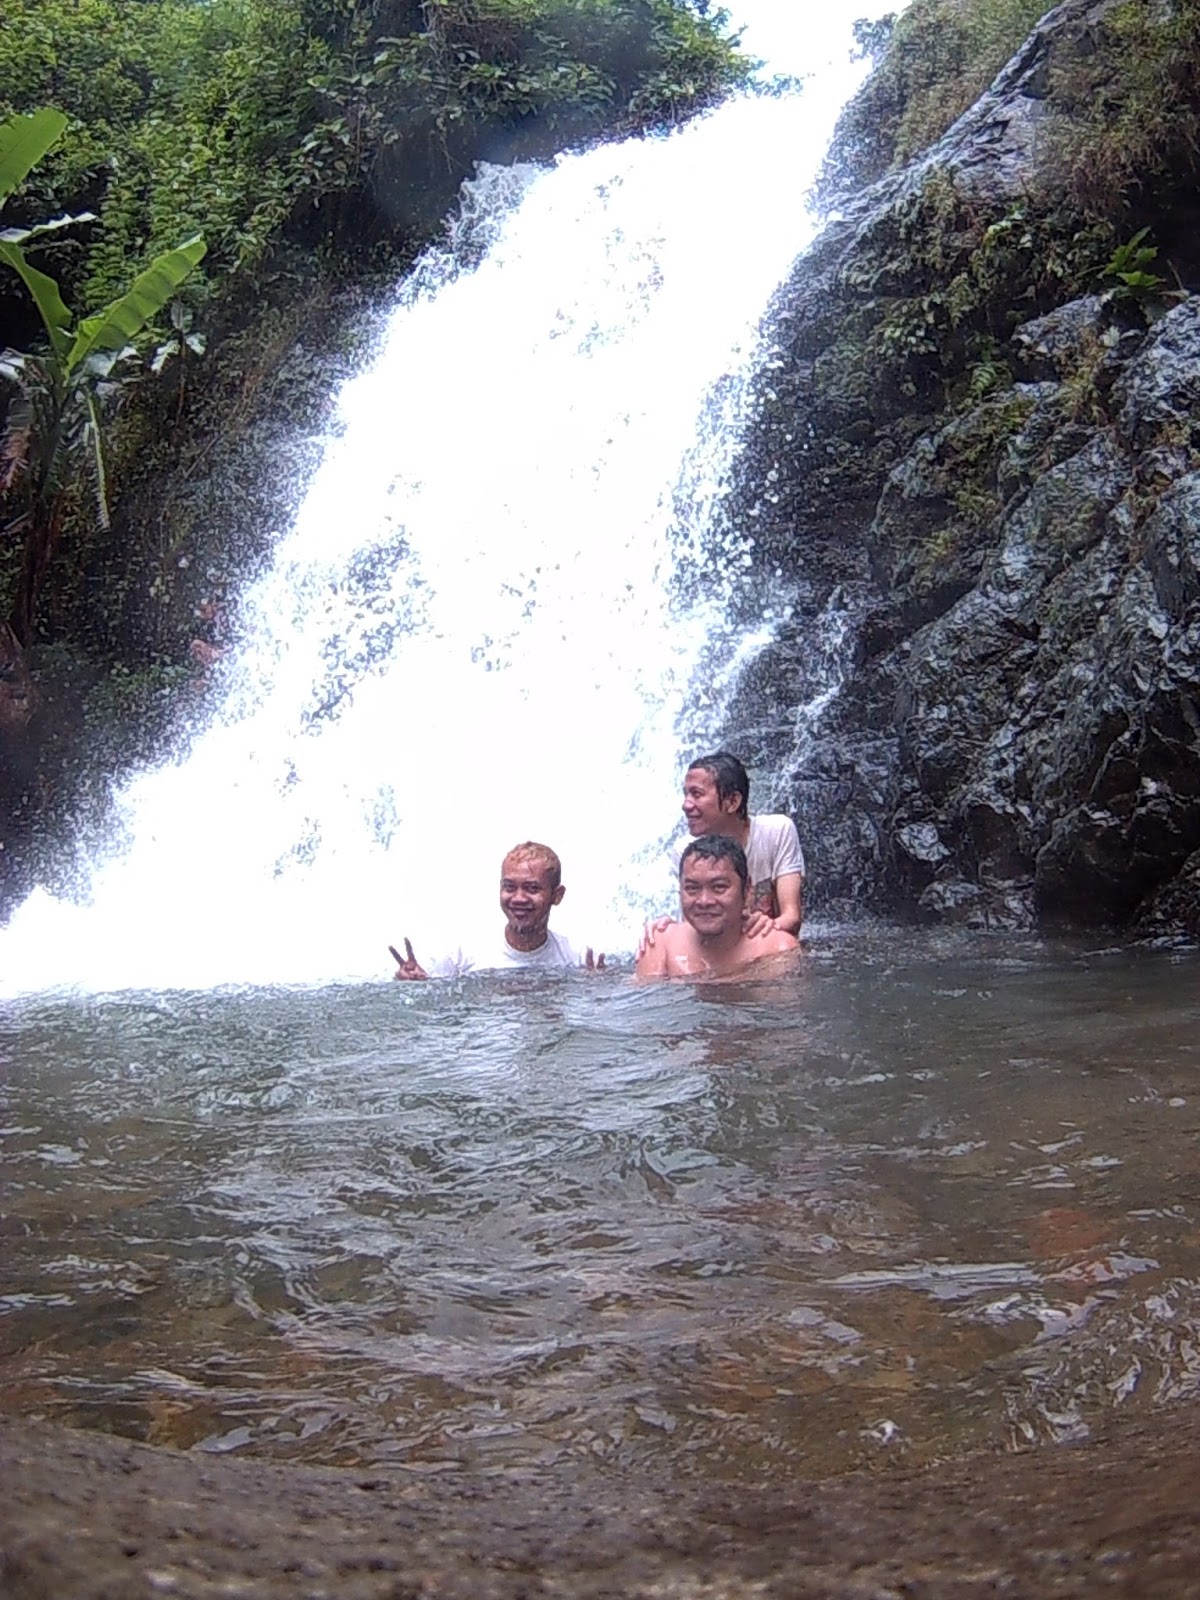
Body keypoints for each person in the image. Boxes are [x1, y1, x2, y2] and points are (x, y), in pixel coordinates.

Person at [392, 841, 603, 979]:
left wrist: (597, 994)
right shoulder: (462, 958)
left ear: (557, 896)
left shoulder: (578, 959)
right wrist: (410, 983)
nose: (518, 898)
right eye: (509, 887)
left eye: (532, 888)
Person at [635, 835, 798, 981]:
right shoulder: (660, 943)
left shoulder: (777, 949)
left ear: (747, 891)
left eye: (719, 887)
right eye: (692, 888)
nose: (704, 901)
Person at [679, 750, 804, 935]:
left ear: (733, 801)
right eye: (686, 794)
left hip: (771, 949)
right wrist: (666, 932)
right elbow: (693, 929)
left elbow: (791, 917)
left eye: (696, 794)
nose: (686, 805)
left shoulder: (776, 832)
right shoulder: (685, 850)